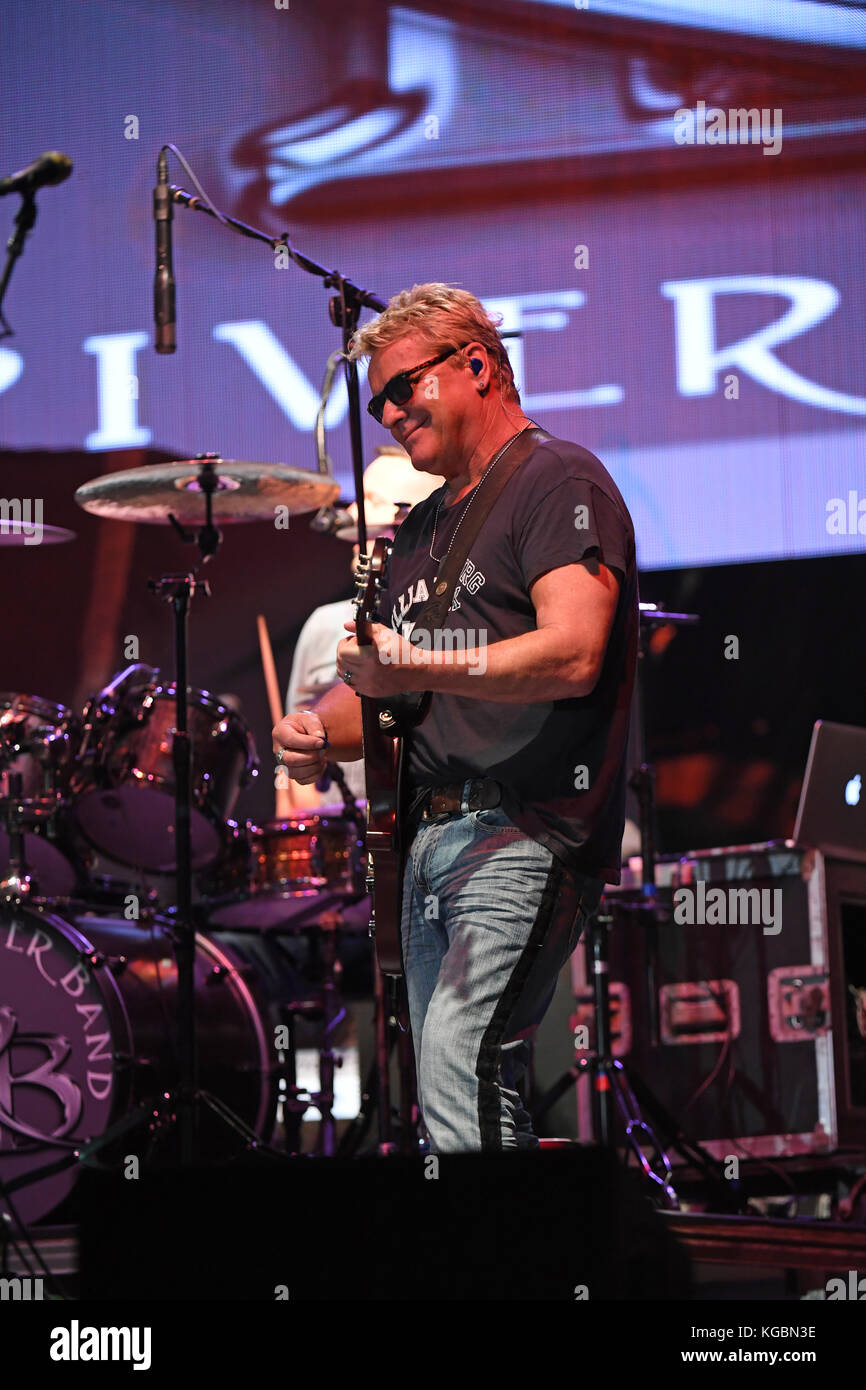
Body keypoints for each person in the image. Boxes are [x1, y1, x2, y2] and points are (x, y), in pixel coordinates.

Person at [273, 282, 638, 1152]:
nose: (391, 411)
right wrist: (322, 730)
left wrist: (416, 664)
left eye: (405, 386)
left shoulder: (558, 477)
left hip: (524, 826)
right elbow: (385, 689)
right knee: (463, 1088)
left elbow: (575, 651)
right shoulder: (418, 531)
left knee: (455, 1058)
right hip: (426, 843)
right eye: (378, 401)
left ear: (477, 364)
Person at [285, 445, 440, 811]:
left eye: (370, 499)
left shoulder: (452, 619)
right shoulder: (323, 624)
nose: (352, 513)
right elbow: (296, 750)